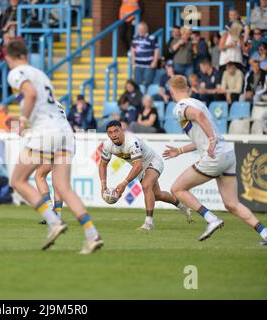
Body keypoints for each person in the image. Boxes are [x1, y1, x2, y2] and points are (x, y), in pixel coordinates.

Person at [6, 40, 103, 254]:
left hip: (45, 132)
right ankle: (91, 234)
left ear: (8, 57)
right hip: (65, 132)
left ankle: (53, 221)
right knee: (63, 187)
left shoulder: (16, 72)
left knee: (17, 180)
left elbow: (30, 94)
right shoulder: (41, 73)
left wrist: (23, 120)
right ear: (26, 55)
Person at [163, 75, 267, 245]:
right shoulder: (199, 102)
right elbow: (200, 135)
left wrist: (211, 141)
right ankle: (264, 232)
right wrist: (180, 150)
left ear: (171, 91)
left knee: (177, 189)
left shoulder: (180, 107)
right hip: (227, 154)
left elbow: (198, 117)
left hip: (214, 155)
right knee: (232, 204)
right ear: (187, 87)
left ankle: (211, 219)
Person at [100, 120, 191, 230]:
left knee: (146, 185)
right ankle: (183, 206)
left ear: (122, 130)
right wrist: (103, 185)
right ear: (107, 134)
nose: (113, 135)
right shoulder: (107, 145)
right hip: (141, 168)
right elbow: (103, 165)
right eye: (110, 132)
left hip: (153, 161)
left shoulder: (131, 142)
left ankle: (149, 223)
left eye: (116, 131)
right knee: (157, 195)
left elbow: (137, 166)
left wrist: (124, 184)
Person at [131, 21, 159, 87]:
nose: (140, 30)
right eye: (139, 29)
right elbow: (132, 50)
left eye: (141, 29)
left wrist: (154, 62)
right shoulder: (135, 38)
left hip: (148, 65)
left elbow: (156, 50)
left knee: (147, 83)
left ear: (146, 29)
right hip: (138, 65)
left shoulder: (151, 38)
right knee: (137, 83)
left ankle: (146, 96)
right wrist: (133, 62)